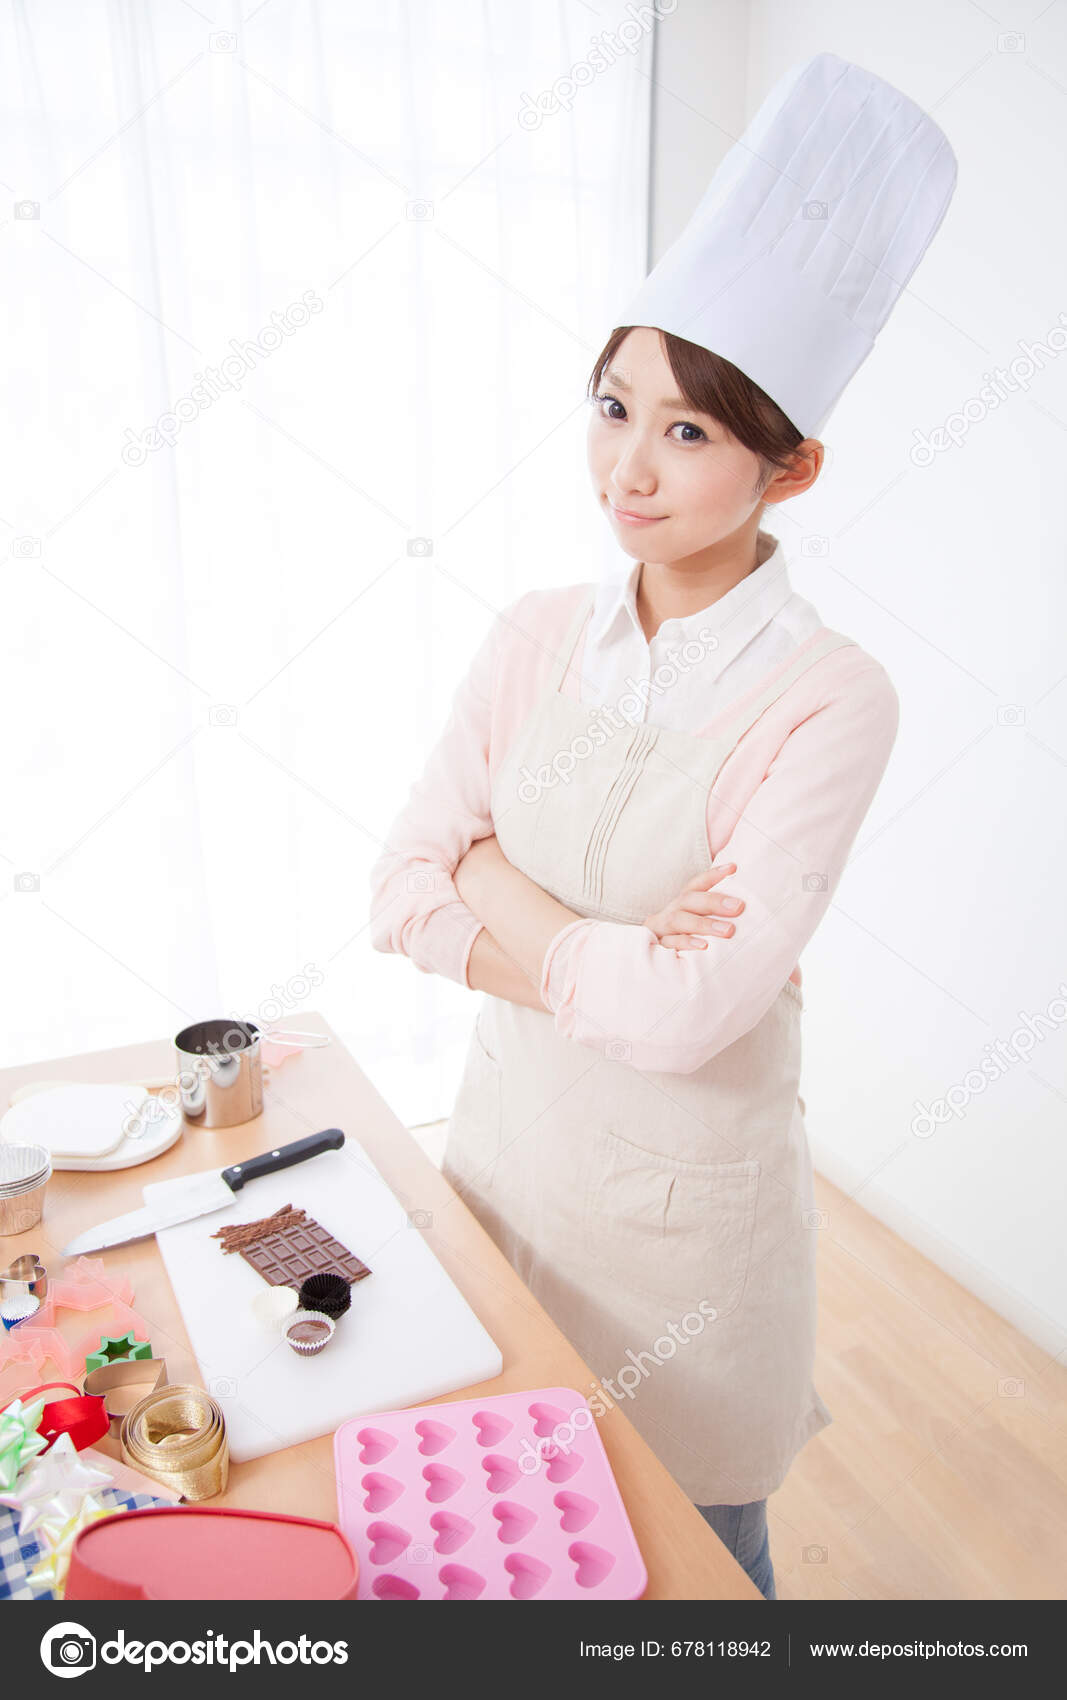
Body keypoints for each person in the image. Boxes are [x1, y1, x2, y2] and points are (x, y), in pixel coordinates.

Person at [369, 52, 957, 1599]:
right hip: (502, 1172)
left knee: (696, 1583)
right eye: (615, 407)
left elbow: (693, 1020)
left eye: (692, 436)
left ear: (794, 466)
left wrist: (491, 881)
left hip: (689, 1258)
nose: (630, 467)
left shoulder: (834, 698)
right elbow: (395, 893)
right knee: (502, 1552)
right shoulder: (535, 633)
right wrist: (593, 950)